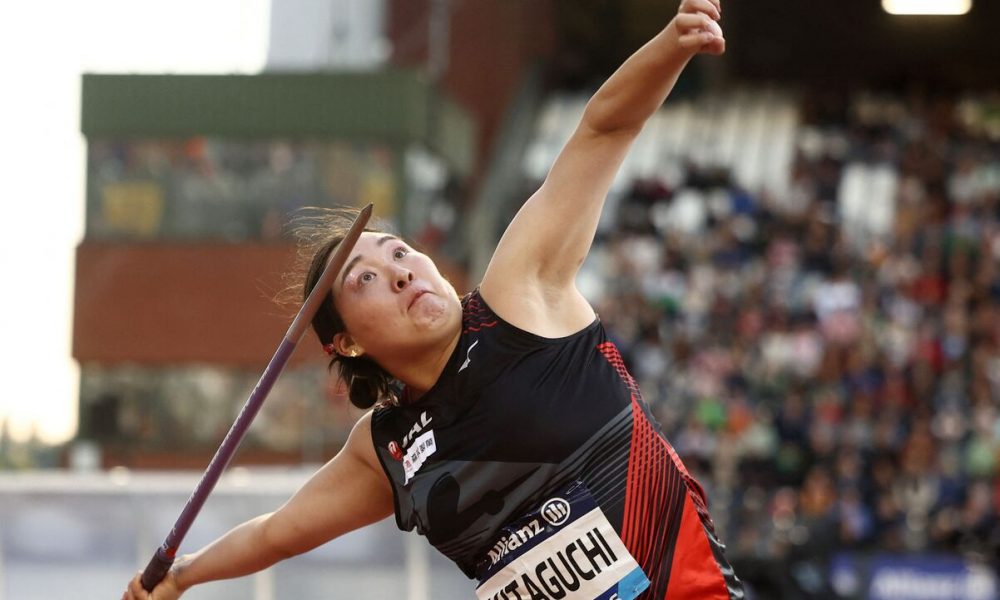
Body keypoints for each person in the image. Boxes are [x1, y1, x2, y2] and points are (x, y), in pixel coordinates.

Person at [125, 0, 742, 598]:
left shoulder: (517, 297)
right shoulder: (384, 449)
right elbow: (276, 533)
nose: (399, 272)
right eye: (363, 278)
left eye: (397, 251)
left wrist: (672, 43)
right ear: (346, 341)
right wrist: (181, 577)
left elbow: (603, 128)